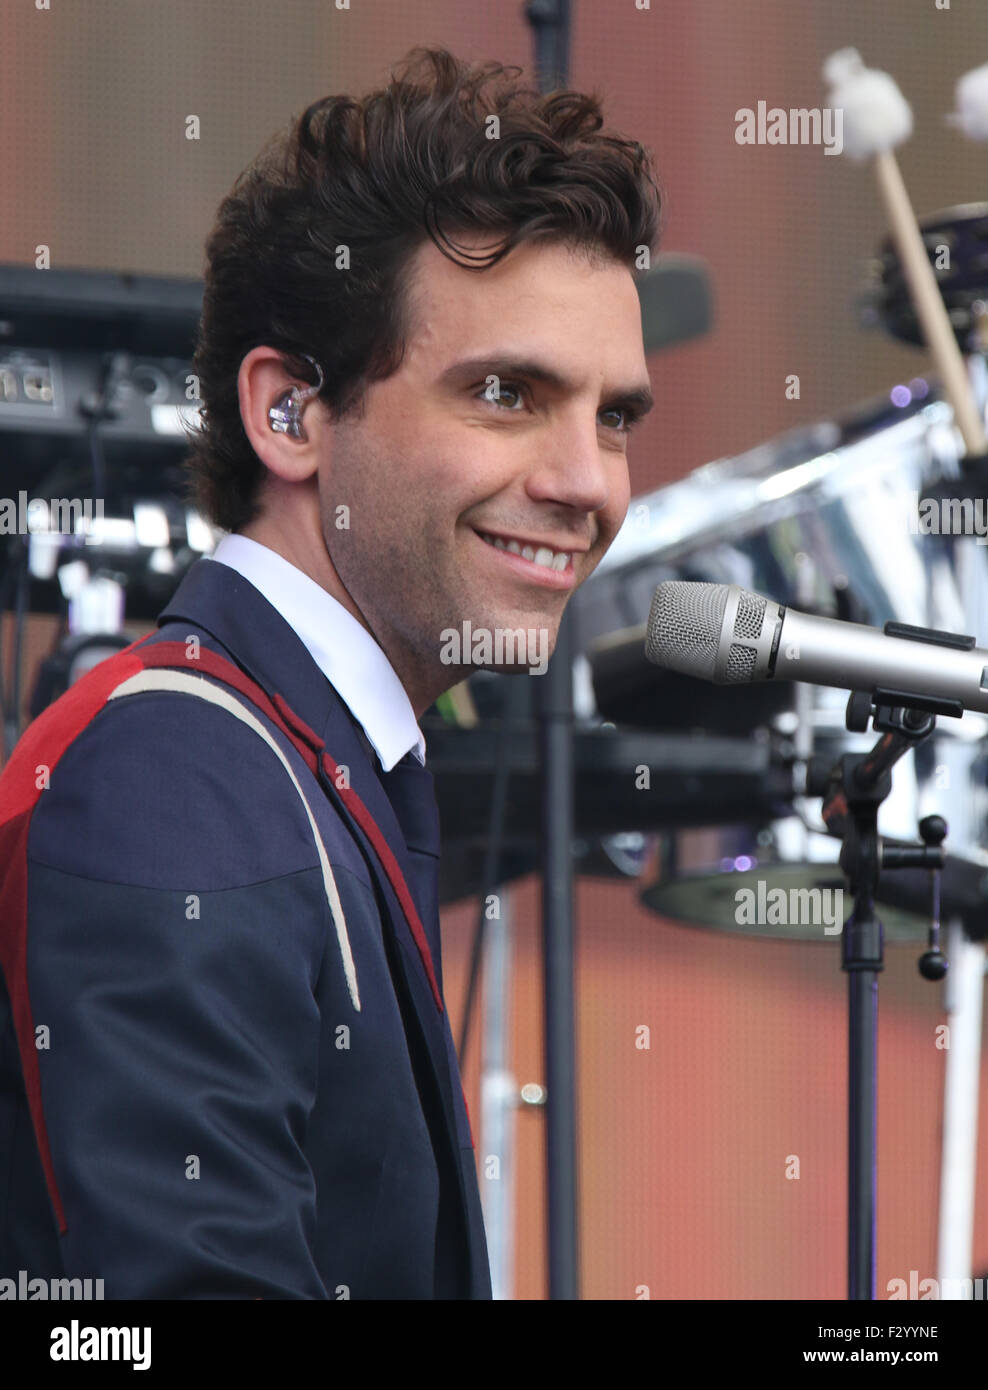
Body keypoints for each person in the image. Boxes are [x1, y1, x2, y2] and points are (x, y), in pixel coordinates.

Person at [0, 46, 660, 1299]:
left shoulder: (297, 758)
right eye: (508, 393)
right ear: (288, 413)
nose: (589, 483)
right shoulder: (174, 774)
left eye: (612, 415)